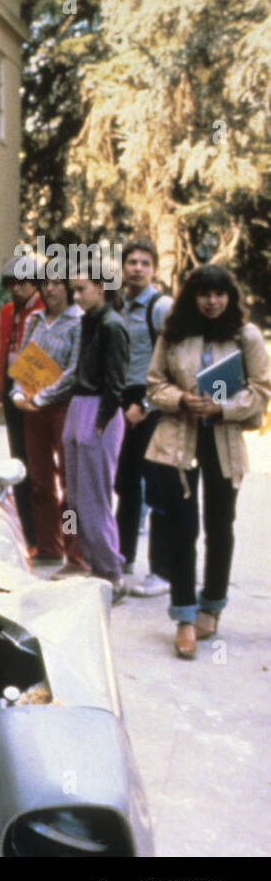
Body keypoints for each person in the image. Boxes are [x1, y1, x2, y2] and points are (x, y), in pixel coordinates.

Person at [144, 264, 270, 658]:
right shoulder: (174, 332)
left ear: (230, 297)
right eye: (204, 294)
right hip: (177, 442)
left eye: (219, 294)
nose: (212, 302)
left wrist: (223, 408)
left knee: (220, 525)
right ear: (192, 297)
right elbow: (154, 385)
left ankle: (211, 607)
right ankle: (184, 617)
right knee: (181, 528)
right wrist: (181, 399)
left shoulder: (245, 336)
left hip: (223, 441)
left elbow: (261, 390)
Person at [8, 274, 89, 572]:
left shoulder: (79, 321)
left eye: (57, 283)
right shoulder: (36, 320)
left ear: (68, 288)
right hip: (32, 407)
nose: (50, 289)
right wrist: (18, 394)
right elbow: (25, 361)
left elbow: (73, 371)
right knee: (40, 482)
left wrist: (41, 397)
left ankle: (75, 552)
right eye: (45, 284)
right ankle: (48, 546)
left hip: (62, 407)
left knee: (70, 484)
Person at [64, 265, 129, 600]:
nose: (76, 297)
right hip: (79, 405)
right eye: (73, 290)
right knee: (74, 498)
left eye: (82, 289)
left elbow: (117, 381)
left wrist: (101, 421)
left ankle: (111, 570)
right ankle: (91, 562)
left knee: (95, 500)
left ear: (101, 287)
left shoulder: (112, 324)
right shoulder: (88, 321)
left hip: (98, 409)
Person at [115, 238, 174, 598]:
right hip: (124, 401)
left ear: (154, 269)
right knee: (125, 485)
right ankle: (122, 559)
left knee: (157, 487)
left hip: (153, 403)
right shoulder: (120, 306)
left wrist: (147, 405)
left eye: (144, 263)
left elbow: (176, 363)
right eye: (131, 262)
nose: (137, 268)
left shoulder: (161, 306)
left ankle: (162, 572)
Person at [0, 257, 44, 551]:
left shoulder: (44, 310)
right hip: (12, 392)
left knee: (42, 471)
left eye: (22, 282)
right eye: (11, 283)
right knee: (19, 463)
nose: (16, 288)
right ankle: (29, 535)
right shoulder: (7, 312)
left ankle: (51, 537)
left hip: (37, 395)